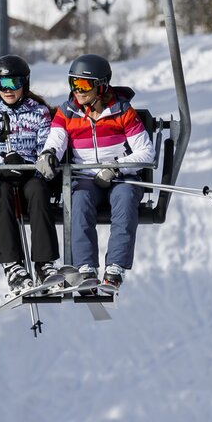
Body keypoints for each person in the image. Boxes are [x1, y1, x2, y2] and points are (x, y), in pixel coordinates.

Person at [35, 53, 154, 293]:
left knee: (125, 199)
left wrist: (116, 167)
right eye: (73, 83)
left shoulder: (122, 111)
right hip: (86, 176)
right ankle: (85, 269)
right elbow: (57, 139)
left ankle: (115, 269)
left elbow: (146, 152)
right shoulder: (68, 112)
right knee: (79, 201)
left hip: (120, 177)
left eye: (84, 84)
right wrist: (48, 154)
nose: (77, 90)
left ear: (101, 85)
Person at [0, 54, 63, 293]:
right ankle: (13, 266)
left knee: (39, 191)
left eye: (14, 84)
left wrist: (32, 171)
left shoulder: (38, 112)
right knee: (3, 192)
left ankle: (44, 264)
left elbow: (44, 152)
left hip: (29, 177)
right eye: (2, 84)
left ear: (25, 84)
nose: (8, 90)